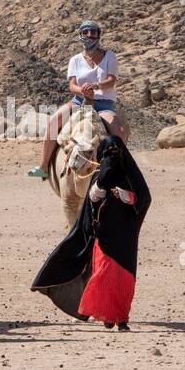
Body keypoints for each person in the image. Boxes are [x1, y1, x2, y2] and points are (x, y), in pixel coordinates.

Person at [31, 136, 151, 330]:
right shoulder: (98, 175)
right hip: (103, 237)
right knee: (103, 275)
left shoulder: (131, 176)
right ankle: (106, 315)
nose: (111, 159)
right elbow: (89, 210)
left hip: (125, 238)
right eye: (108, 153)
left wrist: (127, 197)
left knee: (123, 280)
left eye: (115, 154)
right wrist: (94, 197)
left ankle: (121, 319)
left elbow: (144, 199)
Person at [27, 20, 127, 180]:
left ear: (98, 35)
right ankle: (44, 166)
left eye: (93, 32)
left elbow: (112, 80)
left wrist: (96, 86)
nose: (89, 35)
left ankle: (120, 168)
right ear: (80, 35)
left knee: (118, 130)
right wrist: (82, 90)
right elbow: (72, 85)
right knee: (54, 121)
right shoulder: (75, 60)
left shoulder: (109, 56)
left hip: (103, 102)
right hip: (79, 101)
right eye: (85, 32)